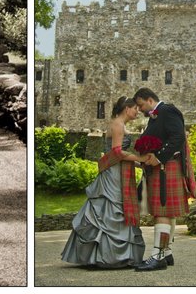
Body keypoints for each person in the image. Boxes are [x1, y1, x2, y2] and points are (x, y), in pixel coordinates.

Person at [61, 97, 147, 269]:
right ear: (126, 108)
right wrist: (139, 158)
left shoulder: (120, 124)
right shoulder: (117, 125)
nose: (137, 112)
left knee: (116, 208)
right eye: (135, 108)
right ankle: (105, 256)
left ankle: (116, 255)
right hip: (113, 174)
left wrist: (140, 163)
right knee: (112, 208)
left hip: (118, 171)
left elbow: (120, 153)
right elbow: (116, 152)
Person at [132, 88, 196, 272]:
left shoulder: (168, 111)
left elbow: (178, 137)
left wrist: (159, 157)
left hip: (166, 168)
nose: (140, 109)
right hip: (161, 169)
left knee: (162, 211)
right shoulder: (156, 116)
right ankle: (166, 253)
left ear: (150, 99)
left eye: (141, 105)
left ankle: (158, 256)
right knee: (164, 212)